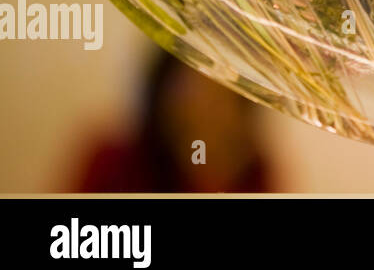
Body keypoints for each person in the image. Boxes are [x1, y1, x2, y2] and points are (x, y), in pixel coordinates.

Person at [71, 50, 276, 193]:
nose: (203, 107)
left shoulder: (253, 171)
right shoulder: (114, 163)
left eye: (218, 97)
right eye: (191, 90)